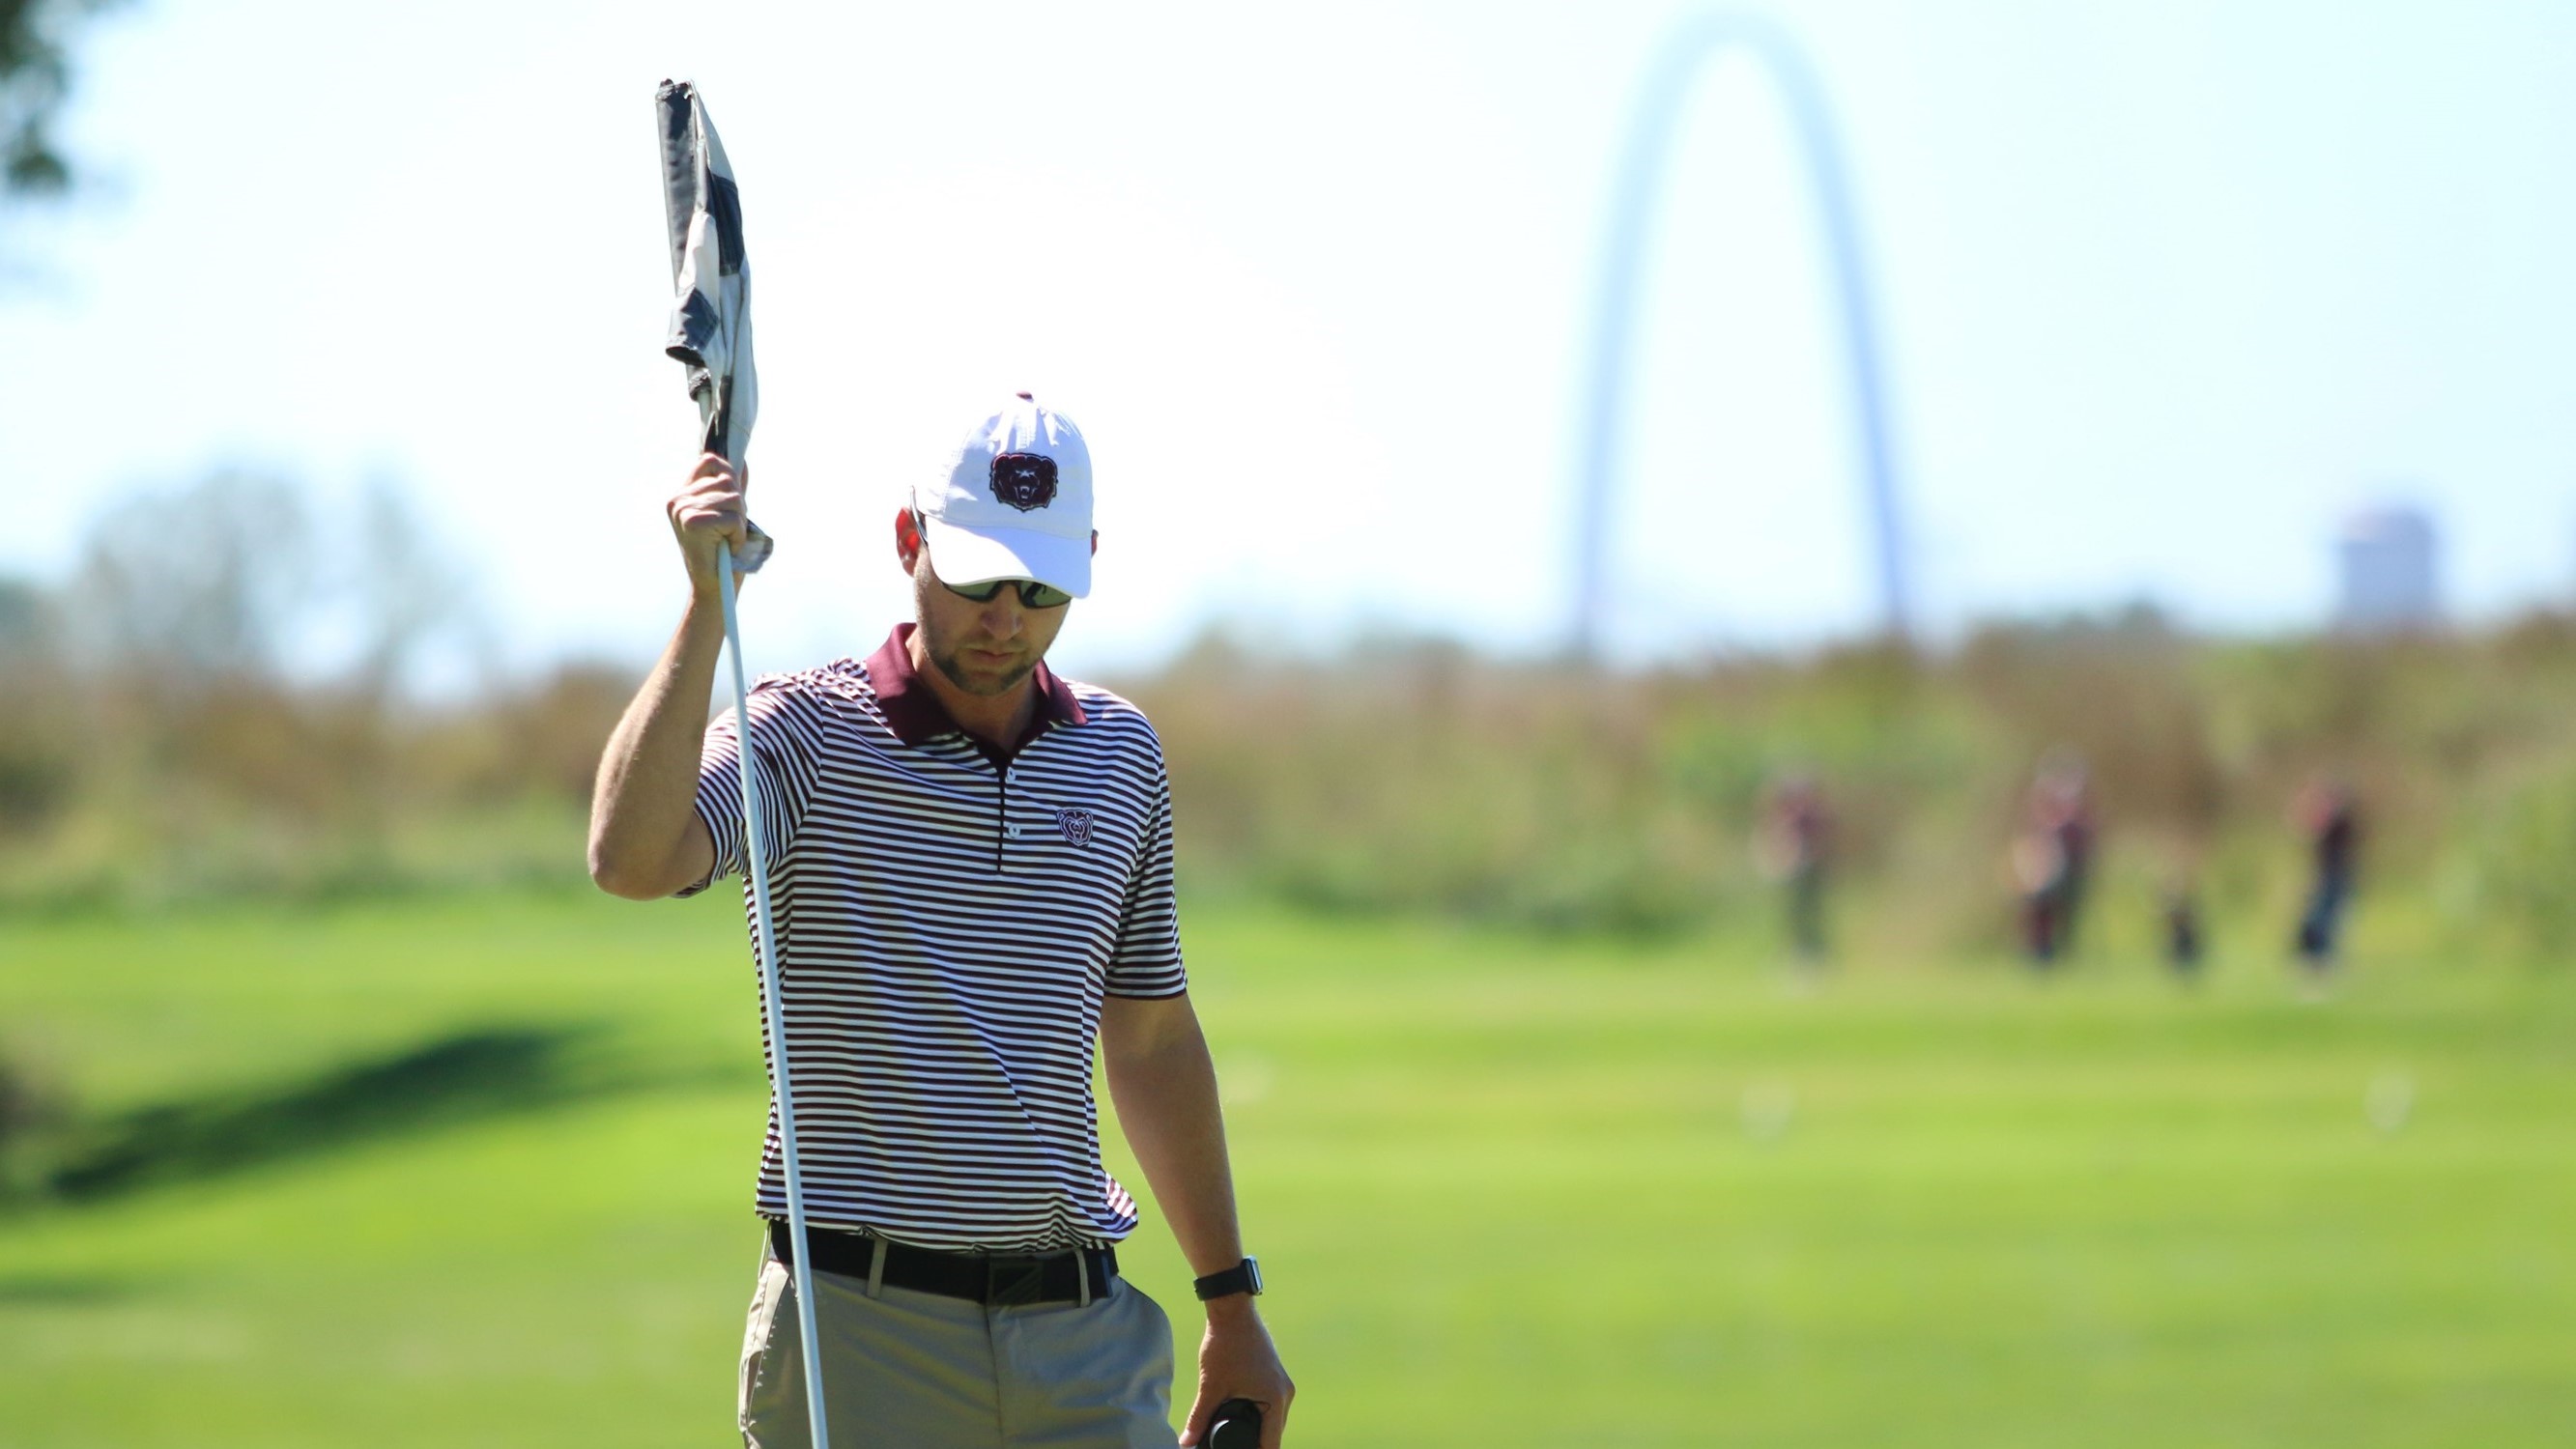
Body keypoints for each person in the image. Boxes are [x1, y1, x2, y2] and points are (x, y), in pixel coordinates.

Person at [587, 394, 1293, 1449]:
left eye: (1040, 590)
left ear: (1087, 563)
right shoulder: (804, 734)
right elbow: (632, 860)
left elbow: (1149, 1038)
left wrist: (1230, 1304)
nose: (1006, 621)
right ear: (909, 541)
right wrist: (705, 609)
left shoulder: (1118, 755)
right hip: (861, 1336)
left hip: (1082, 1338)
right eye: (975, 582)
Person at [2013, 751, 2094, 967]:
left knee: (2066, 914)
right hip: (2045, 872)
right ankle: (2040, 954)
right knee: (2040, 914)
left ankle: (2060, 953)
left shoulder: (2077, 822)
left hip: (2070, 872)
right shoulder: (2042, 817)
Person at [1754, 771, 1832, 964]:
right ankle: (1795, 952)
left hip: (1809, 871)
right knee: (1792, 915)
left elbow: (1819, 843)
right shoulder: (1787, 816)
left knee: (1808, 914)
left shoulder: (1809, 816)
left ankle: (1811, 953)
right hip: (1791, 871)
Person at [2293, 777, 2361, 973]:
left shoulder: (2340, 820)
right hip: (2328, 874)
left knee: (2328, 917)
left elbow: (2309, 829)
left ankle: (2321, 958)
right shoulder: (2334, 820)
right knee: (2323, 916)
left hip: (2336, 874)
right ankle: (2316, 957)